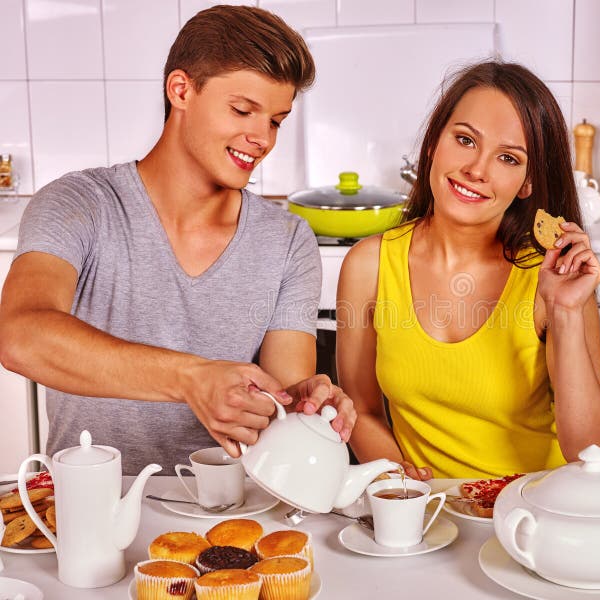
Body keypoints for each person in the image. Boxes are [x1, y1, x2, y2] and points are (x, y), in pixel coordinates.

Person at [0, 5, 355, 474]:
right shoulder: (80, 203)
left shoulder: (287, 240)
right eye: (243, 110)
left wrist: (308, 406)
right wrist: (191, 379)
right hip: (92, 506)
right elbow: (19, 335)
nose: (262, 138)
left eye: (275, 120)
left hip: (232, 515)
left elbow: (281, 396)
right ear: (181, 89)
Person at [336, 61, 600, 480]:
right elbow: (360, 409)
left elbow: (595, 451)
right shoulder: (369, 265)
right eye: (466, 140)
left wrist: (565, 311)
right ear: (434, 142)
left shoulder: (551, 279)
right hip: (429, 519)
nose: (477, 169)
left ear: (527, 182)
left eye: (508, 157)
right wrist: (401, 487)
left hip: (535, 516)